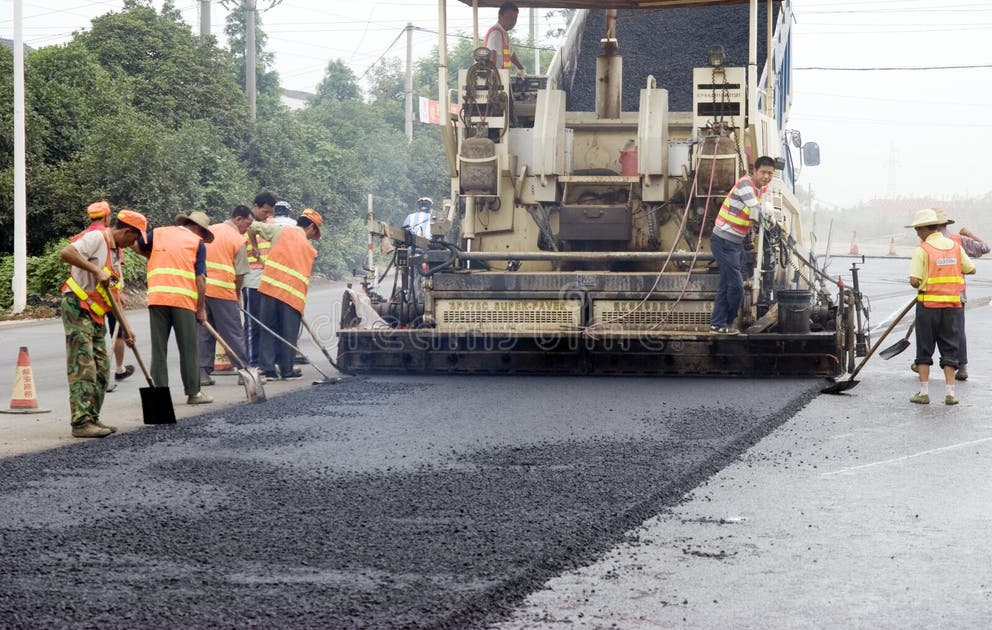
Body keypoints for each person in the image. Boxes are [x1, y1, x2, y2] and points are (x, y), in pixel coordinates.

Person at [58, 209, 148, 438]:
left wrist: (127, 328)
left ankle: (92, 418)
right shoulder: (97, 237)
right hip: (77, 307)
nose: (134, 243)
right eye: (134, 238)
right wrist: (96, 270)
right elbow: (66, 252)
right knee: (84, 366)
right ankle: (80, 422)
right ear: (127, 231)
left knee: (101, 370)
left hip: (96, 313)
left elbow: (114, 297)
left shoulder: (116, 252)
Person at [139, 211, 216, 405]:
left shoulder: (158, 233)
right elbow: (200, 279)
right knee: (189, 348)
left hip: (157, 298)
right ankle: (194, 393)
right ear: (198, 229)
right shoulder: (196, 243)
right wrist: (201, 309)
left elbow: (135, 244)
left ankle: (159, 398)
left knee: (159, 350)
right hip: (182, 301)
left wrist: (152, 256)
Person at [906, 208, 975, 405]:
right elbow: (971, 268)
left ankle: (924, 393)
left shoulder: (922, 249)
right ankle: (950, 395)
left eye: (918, 229)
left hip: (928, 306)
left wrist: (922, 283)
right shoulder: (955, 247)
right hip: (952, 307)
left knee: (924, 350)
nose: (917, 233)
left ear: (925, 229)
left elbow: (914, 280)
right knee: (950, 349)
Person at [248, 208, 322, 380]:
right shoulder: (310, 249)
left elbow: (252, 227)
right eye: (314, 232)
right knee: (288, 332)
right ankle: (287, 370)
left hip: (270, 289)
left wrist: (255, 248)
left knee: (268, 329)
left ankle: (269, 370)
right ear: (311, 226)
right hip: (292, 296)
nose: (313, 237)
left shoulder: (279, 230)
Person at [709, 155, 776, 335]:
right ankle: (727, 323)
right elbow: (755, 208)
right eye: (763, 172)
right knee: (736, 286)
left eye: (770, 173)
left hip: (735, 242)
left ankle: (718, 324)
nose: (766, 177)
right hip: (723, 240)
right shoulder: (745, 184)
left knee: (726, 284)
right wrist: (768, 212)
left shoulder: (762, 189)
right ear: (754, 171)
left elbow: (759, 214)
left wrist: (770, 218)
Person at [77, 201, 135, 388]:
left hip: (93, 295)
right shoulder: (107, 237)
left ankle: (106, 374)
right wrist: (120, 292)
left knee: (100, 338)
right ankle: (117, 368)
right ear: (108, 216)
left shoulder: (84, 236)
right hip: (101, 297)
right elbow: (116, 269)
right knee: (110, 333)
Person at [197, 205, 253, 385]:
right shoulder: (237, 239)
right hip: (223, 291)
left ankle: (202, 374)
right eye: (247, 223)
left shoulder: (209, 230)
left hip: (201, 289)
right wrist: (237, 296)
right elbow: (240, 273)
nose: (248, 229)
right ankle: (244, 372)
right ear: (238, 219)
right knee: (232, 332)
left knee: (204, 331)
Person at [934, 209, 988, 381]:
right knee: (957, 331)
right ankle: (962, 366)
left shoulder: (928, 243)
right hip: (957, 295)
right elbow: (985, 248)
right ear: (945, 224)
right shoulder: (959, 240)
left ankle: (923, 362)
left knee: (931, 331)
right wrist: (970, 234)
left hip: (932, 296)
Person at [242, 191, 277, 368]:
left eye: (271, 212)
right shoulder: (244, 225)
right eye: (265, 211)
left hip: (267, 281)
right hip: (251, 280)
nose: (268, 215)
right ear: (255, 207)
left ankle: (265, 361)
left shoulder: (268, 226)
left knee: (267, 323)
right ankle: (250, 362)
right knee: (252, 324)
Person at [485, 2, 526, 77]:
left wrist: (521, 68)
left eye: (515, 18)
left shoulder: (503, 33)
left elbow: (511, 54)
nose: (513, 21)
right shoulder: (496, 33)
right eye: (510, 17)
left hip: (502, 76)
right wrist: (493, 77)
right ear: (500, 16)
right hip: (495, 77)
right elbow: (492, 55)